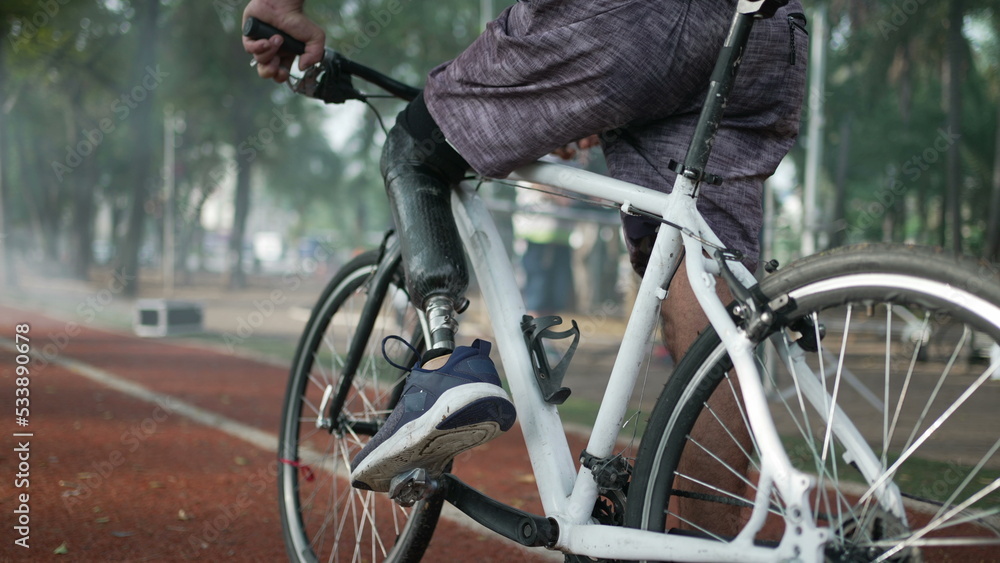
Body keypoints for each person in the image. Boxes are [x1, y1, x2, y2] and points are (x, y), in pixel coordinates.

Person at [243, 0, 808, 510]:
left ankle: (444, 366)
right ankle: (704, 541)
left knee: (414, 146)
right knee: (702, 277)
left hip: (625, 17)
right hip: (762, 30)